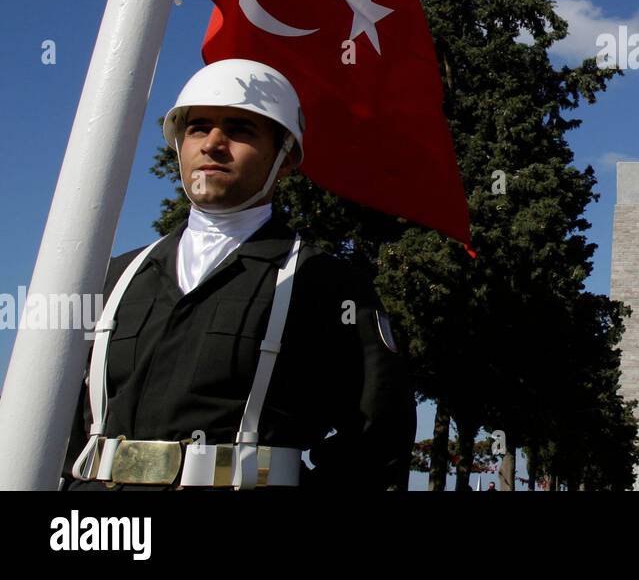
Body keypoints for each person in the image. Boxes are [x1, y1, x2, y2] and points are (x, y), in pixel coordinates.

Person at [60, 58, 415, 490]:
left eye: (240, 129)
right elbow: (58, 418)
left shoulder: (327, 283)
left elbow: (378, 438)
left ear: (284, 158)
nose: (212, 144)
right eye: (197, 128)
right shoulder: (114, 277)